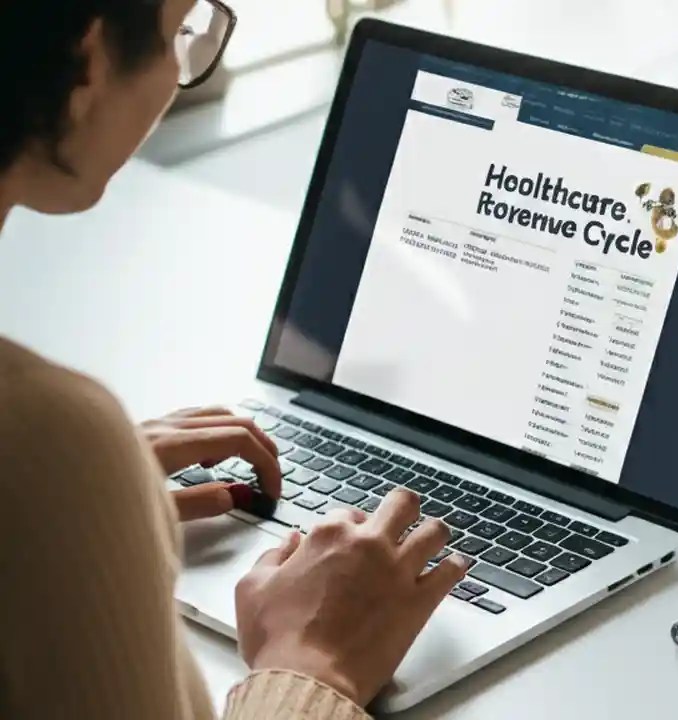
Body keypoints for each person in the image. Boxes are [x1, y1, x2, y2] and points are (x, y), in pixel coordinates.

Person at [0, 2, 468, 718]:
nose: (180, 71)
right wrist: (312, 668)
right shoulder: (41, 441)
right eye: (180, 33)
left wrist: (89, 498)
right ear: (87, 62)